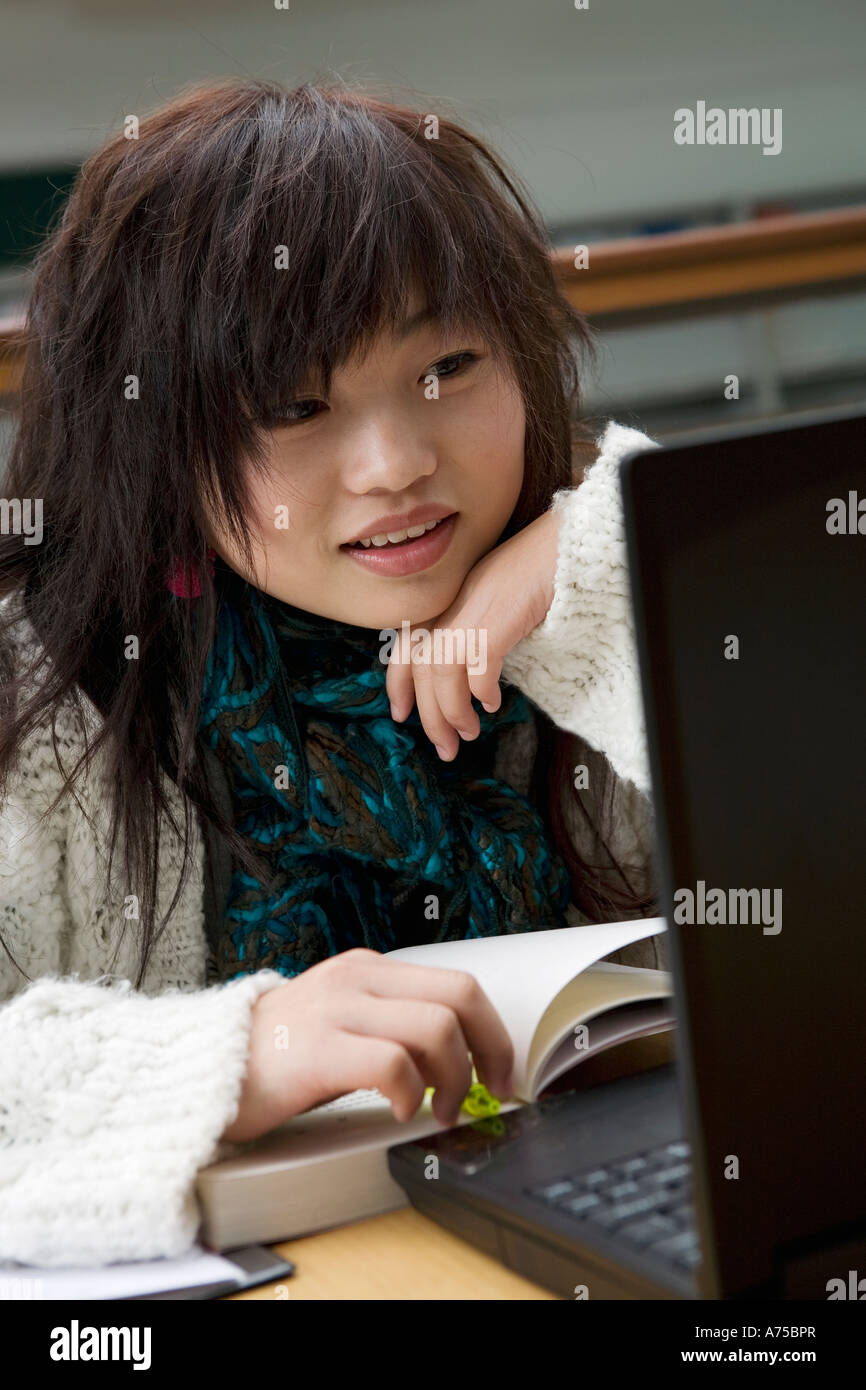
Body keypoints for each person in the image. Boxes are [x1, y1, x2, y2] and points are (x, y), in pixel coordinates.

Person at [0, 77, 663, 1267]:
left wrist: (608, 549)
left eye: (448, 366)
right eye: (292, 405)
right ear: (152, 442)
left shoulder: (565, 622)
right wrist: (231, 1053)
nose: (395, 463)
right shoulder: (35, 689)